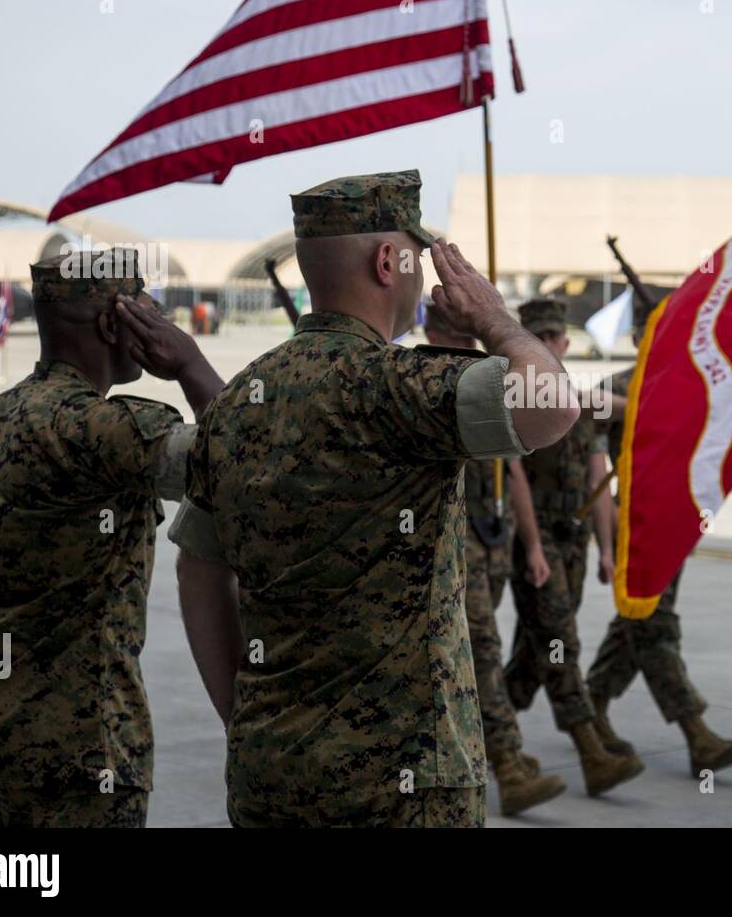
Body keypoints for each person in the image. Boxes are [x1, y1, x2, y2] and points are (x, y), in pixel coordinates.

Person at [169, 170, 579, 828]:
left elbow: (199, 572)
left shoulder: (239, 402)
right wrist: (496, 320)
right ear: (389, 262)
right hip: (405, 789)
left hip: (271, 776)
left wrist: (245, 720)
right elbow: (554, 404)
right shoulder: (400, 388)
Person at [0, 247, 224, 827]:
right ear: (115, 323)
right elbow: (248, 458)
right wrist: (189, 363)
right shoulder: (107, 430)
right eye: (146, 311)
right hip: (80, 761)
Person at [585, 288, 732, 776]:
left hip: (673, 524)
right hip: (629, 528)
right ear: (638, 337)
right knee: (655, 629)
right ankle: (696, 733)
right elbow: (594, 466)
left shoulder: (689, 386)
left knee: (636, 623)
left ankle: (590, 702)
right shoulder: (613, 390)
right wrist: (607, 543)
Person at [421, 302, 566, 816]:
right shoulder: (423, 385)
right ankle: (506, 763)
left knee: (480, 649)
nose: (470, 352)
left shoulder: (482, 384)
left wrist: (531, 545)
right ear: (436, 334)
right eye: (463, 341)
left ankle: (494, 750)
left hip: (492, 540)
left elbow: (516, 469)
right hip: (452, 545)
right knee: (481, 646)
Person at [504, 298, 644, 796]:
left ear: (565, 342)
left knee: (535, 649)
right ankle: (589, 750)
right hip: (533, 544)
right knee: (561, 641)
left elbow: (597, 478)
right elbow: (514, 472)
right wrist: (535, 547)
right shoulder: (521, 396)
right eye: (535, 338)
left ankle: (485, 731)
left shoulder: (583, 404)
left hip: (574, 543)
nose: (547, 345)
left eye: (553, 337)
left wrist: (606, 550)